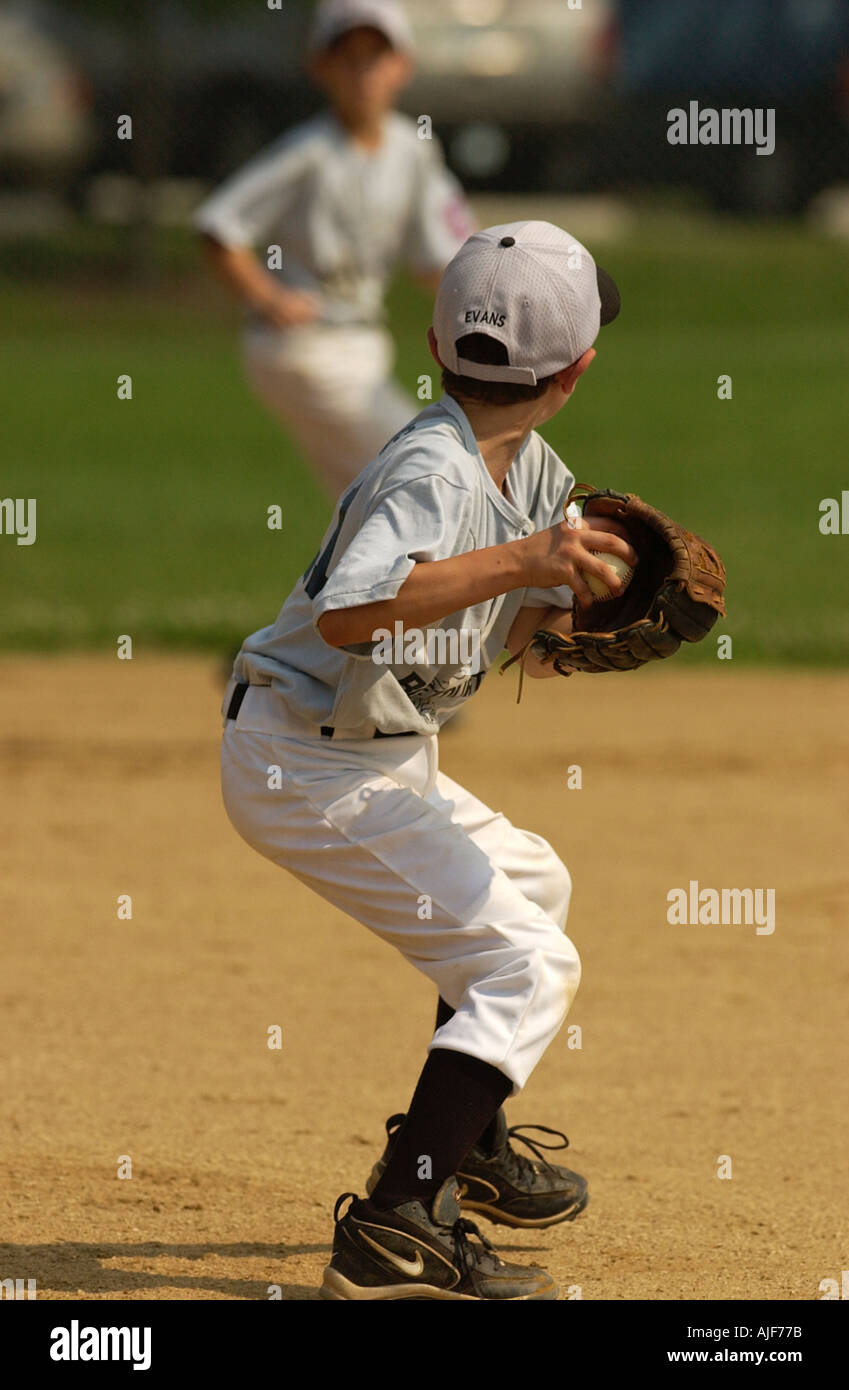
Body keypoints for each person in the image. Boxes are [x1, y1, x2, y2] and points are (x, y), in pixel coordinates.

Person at [219, 220, 636, 1300]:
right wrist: (523, 560)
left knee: (536, 882)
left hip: (374, 753)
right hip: (303, 764)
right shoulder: (431, 470)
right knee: (530, 965)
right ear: (579, 369)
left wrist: (577, 622)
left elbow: (523, 644)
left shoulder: (534, 472)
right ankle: (396, 1222)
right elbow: (356, 612)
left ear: (435, 335)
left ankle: (465, 1145)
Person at [193, 0, 474, 498]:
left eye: (376, 57)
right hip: (305, 350)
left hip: (360, 348)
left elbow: (438, 261)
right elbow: (219, 227)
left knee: (370, 500)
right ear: (320, 68)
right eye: (348, 58)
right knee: (430, 471)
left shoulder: (412, 148)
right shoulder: (310, 150)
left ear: (402, 65)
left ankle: (348, 576)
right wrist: (269, 298)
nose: (362, 72)